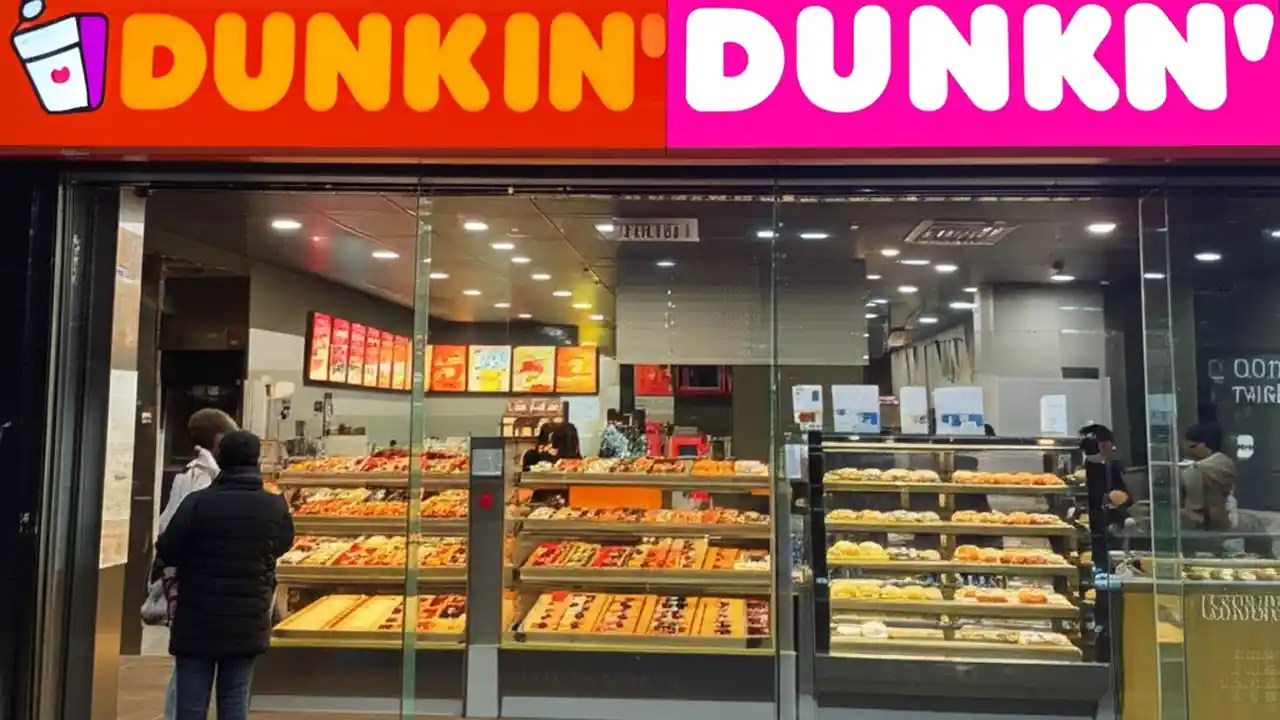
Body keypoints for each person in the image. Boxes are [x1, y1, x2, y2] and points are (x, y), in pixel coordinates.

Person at [156, 431, 294, 720]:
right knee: (234, 699)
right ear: (256, 460)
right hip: (247, 618)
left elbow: (168, 549)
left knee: (191, 703)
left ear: (220, 459)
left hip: (197, 616)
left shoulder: (196, 503)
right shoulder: (274, 506)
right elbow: (282, 545)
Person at [156, 408, 238, 720]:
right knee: (196, 674)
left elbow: (167, 531)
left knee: (188, 670)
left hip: (194, 585)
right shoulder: (204, 478)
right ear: (219, 440)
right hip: (203, 586)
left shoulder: (190, 475)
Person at [1182, 422, 1238, 533]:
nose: (1189, 451)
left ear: (1202, 445)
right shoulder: (1197, 464)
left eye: (1192, 447)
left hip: (1218, 518)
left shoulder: (1220, 463)